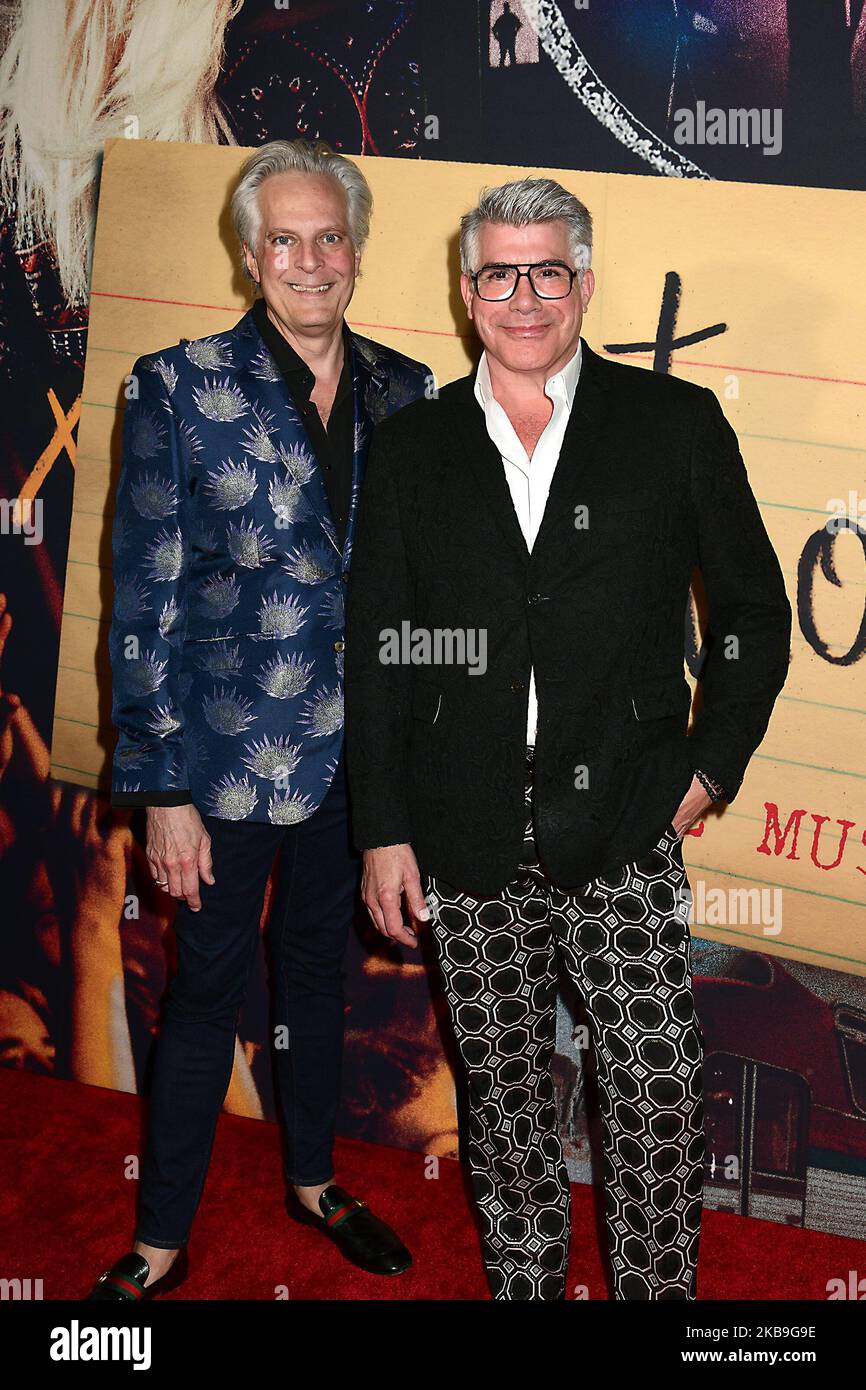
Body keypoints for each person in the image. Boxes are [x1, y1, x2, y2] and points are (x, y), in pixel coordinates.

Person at [344, 176, 792, 1300]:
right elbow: (384, 650)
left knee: (654, 1087)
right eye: (500, 272)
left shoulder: (670, 424)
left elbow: (748, 610)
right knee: (500, 1100)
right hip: (461, 824)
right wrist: (383, 831)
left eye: (548, 270)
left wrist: (709, 765)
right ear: (466, 290)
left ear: (583, 281)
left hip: (627, 815)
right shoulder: (412, 449)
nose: (525, 295)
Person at [87, 139, 432, 1300]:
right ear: (248, 253)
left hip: (357, 762)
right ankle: (158, 1242)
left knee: (320, 978)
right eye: (283, 238)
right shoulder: (176, 385)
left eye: (328, 236)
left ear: (355, 250)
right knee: (205, 988)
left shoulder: (406, 389)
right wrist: (161, 784)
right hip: (224, 761)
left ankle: (314, 1179)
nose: (308, 260)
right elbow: (142, 595)